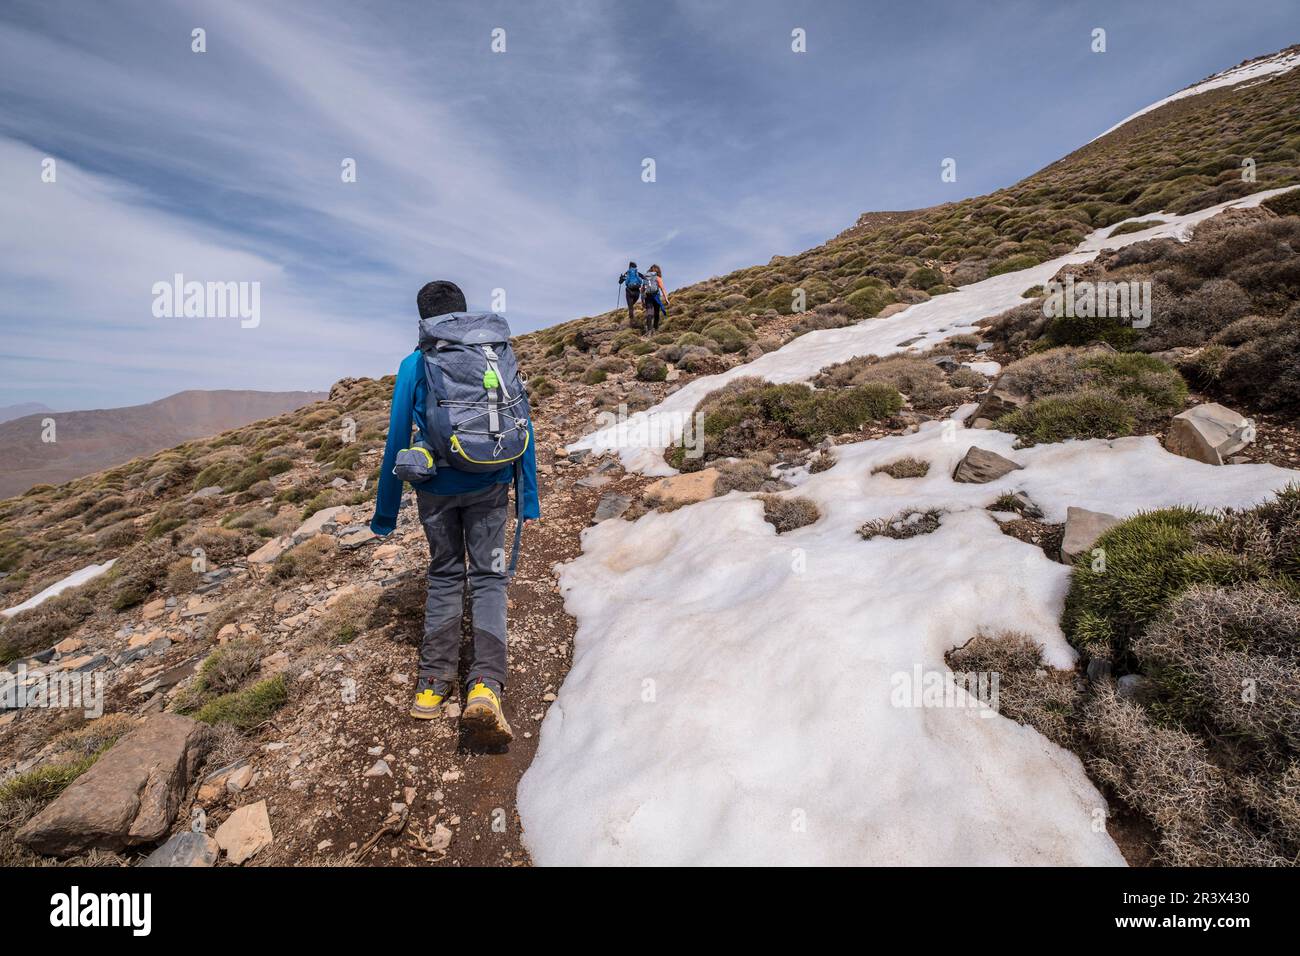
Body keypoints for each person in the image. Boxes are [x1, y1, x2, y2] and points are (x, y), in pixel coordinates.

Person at [370, 280, 540, 746]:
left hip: (436, 489)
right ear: (463, 313)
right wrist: (529, 497)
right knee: (488, 575)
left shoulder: (416, 362)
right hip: (490, 480)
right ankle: (485, 685)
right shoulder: (494, 352)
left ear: (423, 318)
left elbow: (396, 438)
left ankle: (432, 685)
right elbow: (519, 419)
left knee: (446, 574)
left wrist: (385, 513)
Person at [642, 264, 667, 334]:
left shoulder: (646, 278)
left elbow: (642, 289)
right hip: (656, 297)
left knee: (649, 313)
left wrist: (642, 300)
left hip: (648, 297)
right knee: (656, 313)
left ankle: (649, 330)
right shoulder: (658, 278)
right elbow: (663, 289)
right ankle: (655, 328)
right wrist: (666, 299)